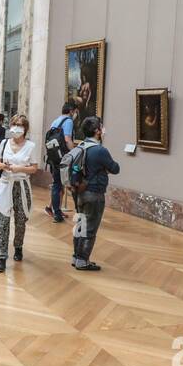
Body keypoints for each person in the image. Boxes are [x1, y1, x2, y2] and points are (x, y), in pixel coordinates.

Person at [0, 114, 39, 272]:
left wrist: (19, 168)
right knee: (3, 221)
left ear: (25, 128)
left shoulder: (31, 146)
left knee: (20, 220)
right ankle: (1, 257)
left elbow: (34, 168)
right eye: (14, 124)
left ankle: (18, 246)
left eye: (19, 125)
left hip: (21, 185)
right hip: (6, 184)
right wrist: (2, 166)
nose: (16, 127)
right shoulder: (4, 143)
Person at [72, 115, 119, 271]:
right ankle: (82, 261)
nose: (104, 130)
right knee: (90, 228)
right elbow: (115, 168)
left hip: (80, 192)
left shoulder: (80, 147)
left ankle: (76, 256)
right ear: (97, 131)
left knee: (81, 225)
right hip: (94, 193)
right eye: (102, 127)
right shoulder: (100, 150)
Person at [44, 102, 78, 222]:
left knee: (58, 185)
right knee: (59, 185)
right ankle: (57, 214)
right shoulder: (68, 121)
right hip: (62, 158)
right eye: (75, 111)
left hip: (53, 157)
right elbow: (67, 139)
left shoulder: (56, 120)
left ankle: (53, 209)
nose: (75, 114)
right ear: (71, 111)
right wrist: (75, 152)